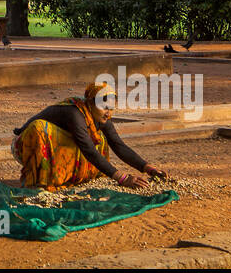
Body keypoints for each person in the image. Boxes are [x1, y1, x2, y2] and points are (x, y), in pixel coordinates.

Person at [10, 81, 167, 191]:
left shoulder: (100, 117)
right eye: (104, 107)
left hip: (56, 148)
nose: (108, 113)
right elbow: (89, 150)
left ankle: (72, 177)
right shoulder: (75, 114)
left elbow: (118, 145)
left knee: (100, 138)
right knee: (40, 128)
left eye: (111, 109)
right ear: (90, 103)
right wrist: (123, 178)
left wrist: (148, 168)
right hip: (23, 146)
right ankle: (38, 182)